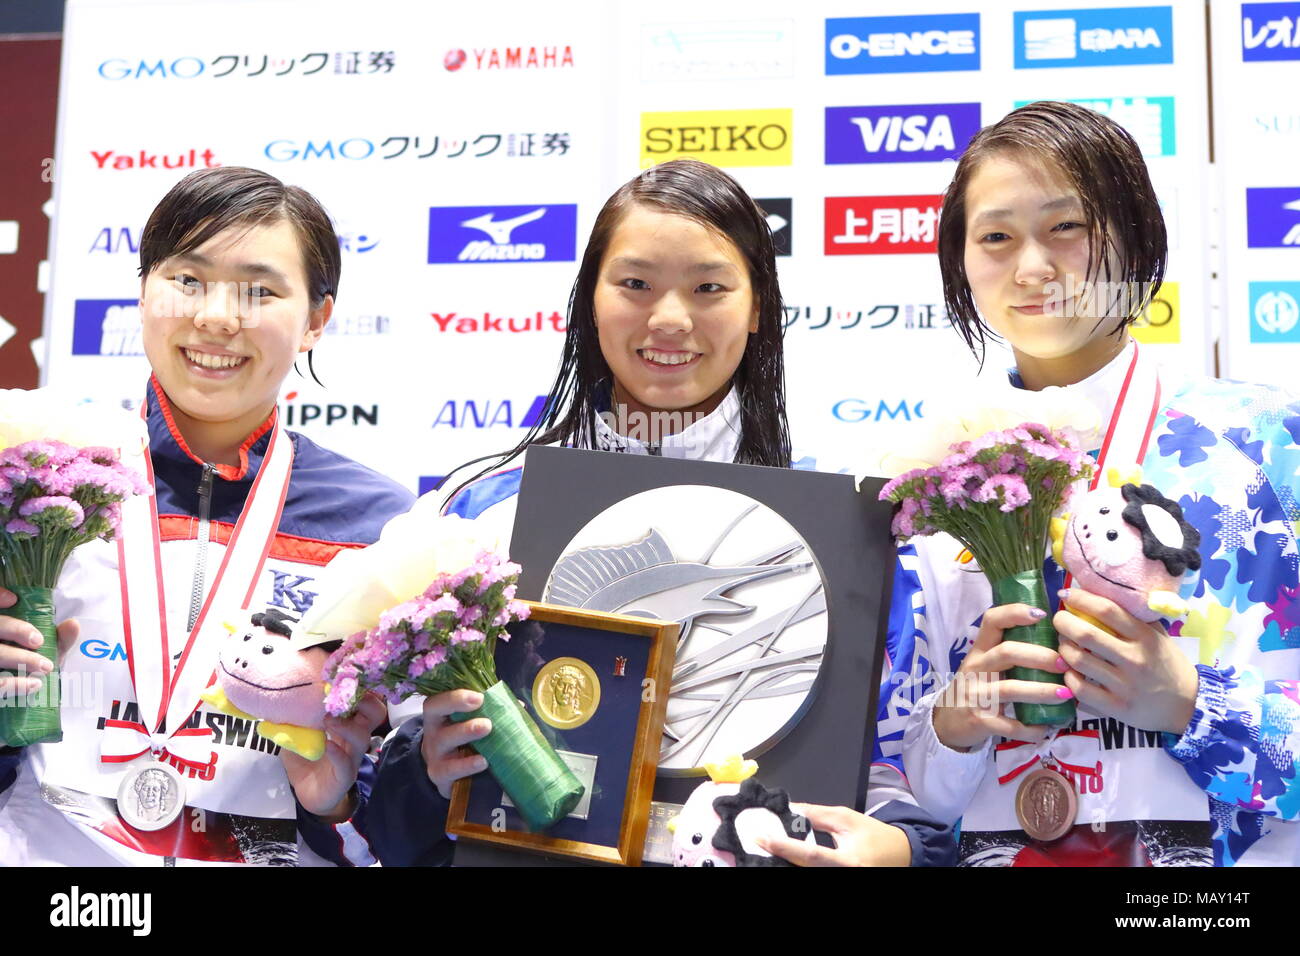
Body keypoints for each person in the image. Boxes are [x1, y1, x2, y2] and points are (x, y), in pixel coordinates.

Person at [366, 159, 955, 867]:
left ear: (758, 304)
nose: (670, 319)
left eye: (709, 287)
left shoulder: (850, 527)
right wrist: (432, 775)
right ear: (590, 297)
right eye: (636, 284)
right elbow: (392, 829)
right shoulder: (480, 515)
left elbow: (902, 793)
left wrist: (896, 850)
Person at [881, 101, 1300, 865]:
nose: (1032, 267)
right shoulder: (935, 483)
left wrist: (1192, 702)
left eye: (1065, 227)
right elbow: (897, 797)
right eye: (996, 237)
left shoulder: (1260, 443)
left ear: (1135, 230)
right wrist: (955, 724)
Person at [0, 166, 414, 865]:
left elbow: (407, 828)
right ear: (142, 293)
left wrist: (341, 800)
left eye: (259, 289)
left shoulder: (380, 532)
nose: (217, 316)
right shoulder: (39, 484)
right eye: (187, 279)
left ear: (316, 318)